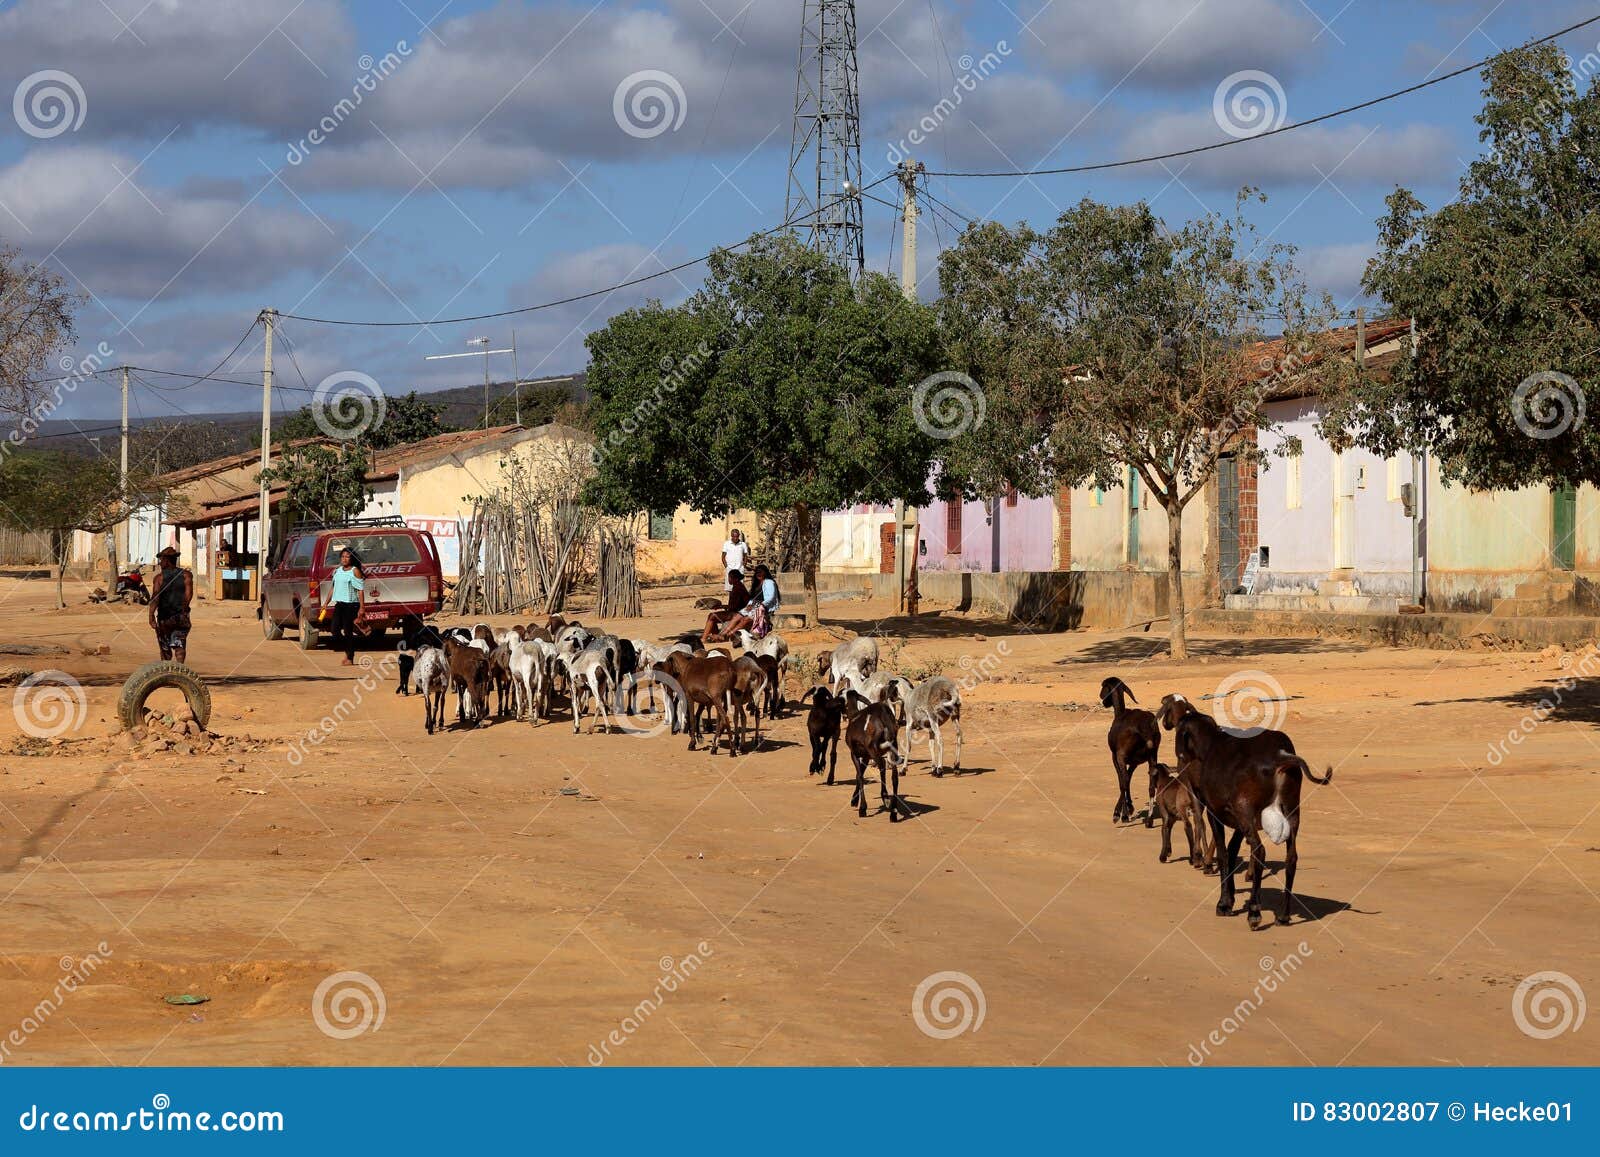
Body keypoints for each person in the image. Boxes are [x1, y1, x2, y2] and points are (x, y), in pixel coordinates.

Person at [711, 564, 781, 642]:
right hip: (754, 606)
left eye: (761, 572)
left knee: (745, 619)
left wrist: (762, 604)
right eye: (757, 572)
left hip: (764, 608)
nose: (759, 574)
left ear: (765, 573)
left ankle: (729, 635)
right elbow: (752, 598)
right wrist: (749, 605)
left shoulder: (769, 582)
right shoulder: (756, 584)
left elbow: (771, 597)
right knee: (737, 617)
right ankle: (722, 634)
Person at [148, 546, 193, 663]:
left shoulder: (159, 578)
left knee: (165, 649)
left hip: (165, 618)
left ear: (167, 561)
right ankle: (180, 670)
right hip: (181, 617)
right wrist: (182, 611)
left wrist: (151, 615)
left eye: (161, 560)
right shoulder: (186, 575)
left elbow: (155, 598)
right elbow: (188, 596)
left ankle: (167, 673)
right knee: (180, 646)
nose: (160, 563)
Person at [325, 547, 366, 666]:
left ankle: (349, 656)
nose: (344, 559)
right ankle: (348, 650)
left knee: (348, 631)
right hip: (339, 605)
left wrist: (362, 607)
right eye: (342, 557)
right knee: (334, 629)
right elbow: (333, 588)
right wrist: (325, 603)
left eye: (347, 557)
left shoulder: (355, 571)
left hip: (351, 605)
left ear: (351, 558)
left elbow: (360, 590)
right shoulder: (337, 571)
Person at [701, 568, 749, 644]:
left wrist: (722, 606)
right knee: (712, 616)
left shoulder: (738, 588)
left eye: (729, 577)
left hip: (737, 613)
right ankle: (715, 635)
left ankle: (704, 639)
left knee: (712, 616)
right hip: (735, 611)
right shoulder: (737, 586)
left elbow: (734, 606)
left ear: (734, 578)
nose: (728, 579)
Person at [721, 529, 750, 593]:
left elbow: (745, 556)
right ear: (731, 536)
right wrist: (727, 567)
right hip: (730, 569)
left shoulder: (743, 544)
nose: (735, 538)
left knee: (739, 588)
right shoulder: (726, 544)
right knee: (730, 589)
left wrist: (743, 567)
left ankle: (739, 602)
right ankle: (731, 602)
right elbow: (723, 557)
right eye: (734, 536)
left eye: (737, 536)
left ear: (739, 536)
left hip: (739, 569)